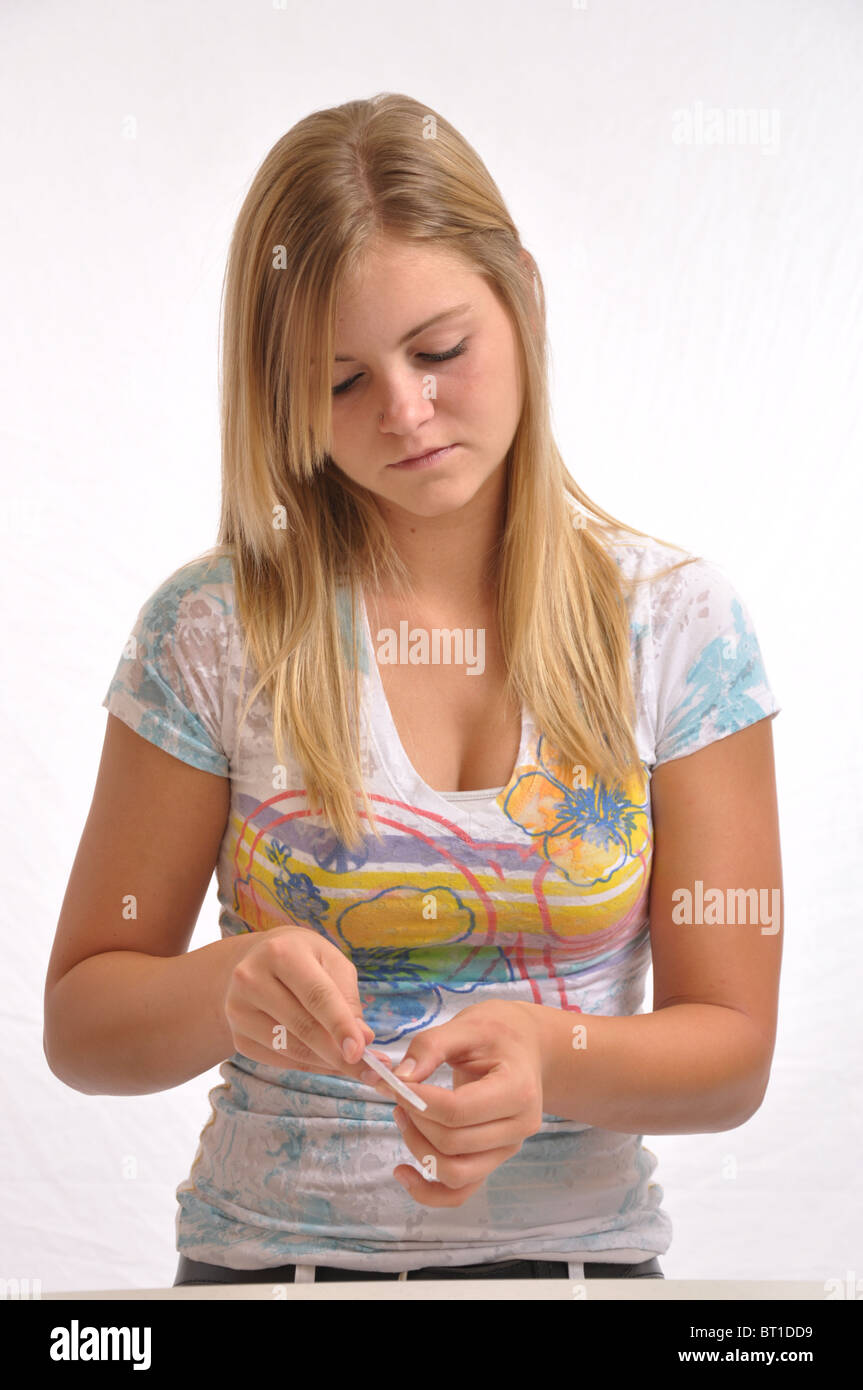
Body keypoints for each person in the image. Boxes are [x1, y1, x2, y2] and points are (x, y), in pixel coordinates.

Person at [43, 92, 783, 1289]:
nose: (404, 411)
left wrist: (555, 1049)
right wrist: (227, 982)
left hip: (575, 1270)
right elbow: (84, 1023)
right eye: (338, 382)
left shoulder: (677, 628)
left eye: (440, 350)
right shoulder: (211, 630)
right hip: (267, 1272)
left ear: (523, 300)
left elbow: (731, 1056)